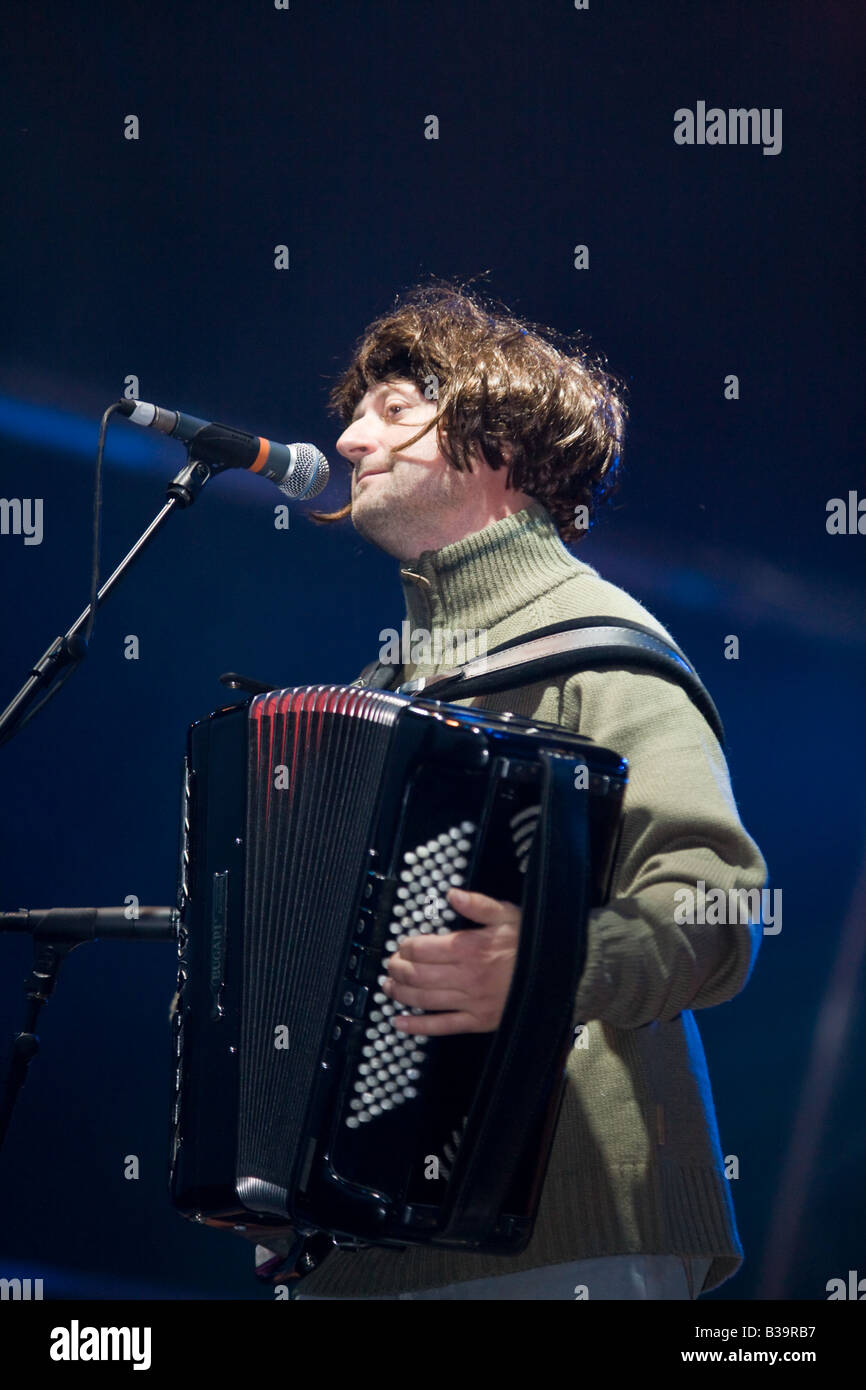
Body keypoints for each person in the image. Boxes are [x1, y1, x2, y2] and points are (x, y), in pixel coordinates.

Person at [251, 281, 767, 1300]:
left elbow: (716, 907)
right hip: (356, 1249)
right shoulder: (382, 689)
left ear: (492, 445)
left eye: (391, 411)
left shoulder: (598, 642)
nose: (350, 442)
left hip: (561, 1233)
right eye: (355, 416)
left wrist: (542, 970)